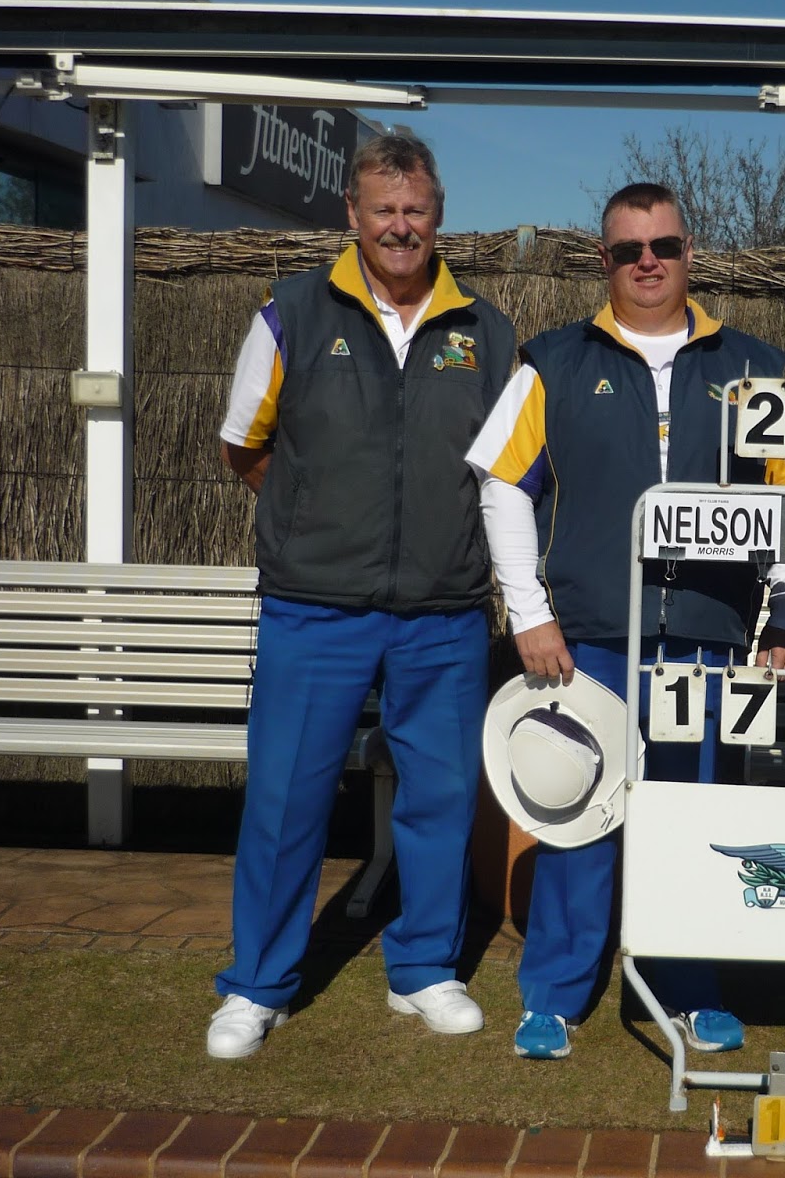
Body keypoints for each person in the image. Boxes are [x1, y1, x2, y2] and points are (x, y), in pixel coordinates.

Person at [466, 182, 785, 1061]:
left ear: (690, 251)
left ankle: (690, 989)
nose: (648, 262)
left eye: (663, 245)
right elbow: (502, 486)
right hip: (588, 640)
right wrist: (529, 614)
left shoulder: (755, 366)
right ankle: (555, 994)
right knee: (577, 814)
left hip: (708, 637)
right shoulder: (553, 361)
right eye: (629, 250)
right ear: (605, 260)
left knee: (694, 819)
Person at [208, 135, 516, 1060]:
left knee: (442, 801)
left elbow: (506, 471)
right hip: (314, 610)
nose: (399, 227)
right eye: (383, 209)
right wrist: (317, 518)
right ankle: (257, 985)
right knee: (285, 801)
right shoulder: (292, 314)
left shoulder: (488, 331)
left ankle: (423, 969)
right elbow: (243, 446)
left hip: (444, 612)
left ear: (439, 215)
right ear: (352, 213)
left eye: (415, 210)